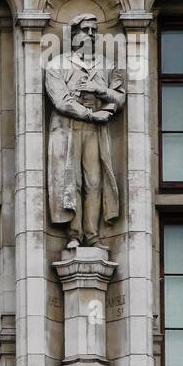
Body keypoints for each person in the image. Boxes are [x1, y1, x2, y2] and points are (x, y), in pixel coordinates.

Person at [44, 13, 124, 248]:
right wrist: (90, 113)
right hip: (68, 129)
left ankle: (92, 235)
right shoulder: (56, 64)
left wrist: (100, 91)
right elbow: (61, 101)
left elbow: (119, 97)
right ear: (73, 34)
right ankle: (75, 234)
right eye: (85, 30)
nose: (90, 34)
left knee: (94, 181)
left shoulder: (107, 65)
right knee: (72, 180)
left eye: (93, 30)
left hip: (96, 130)